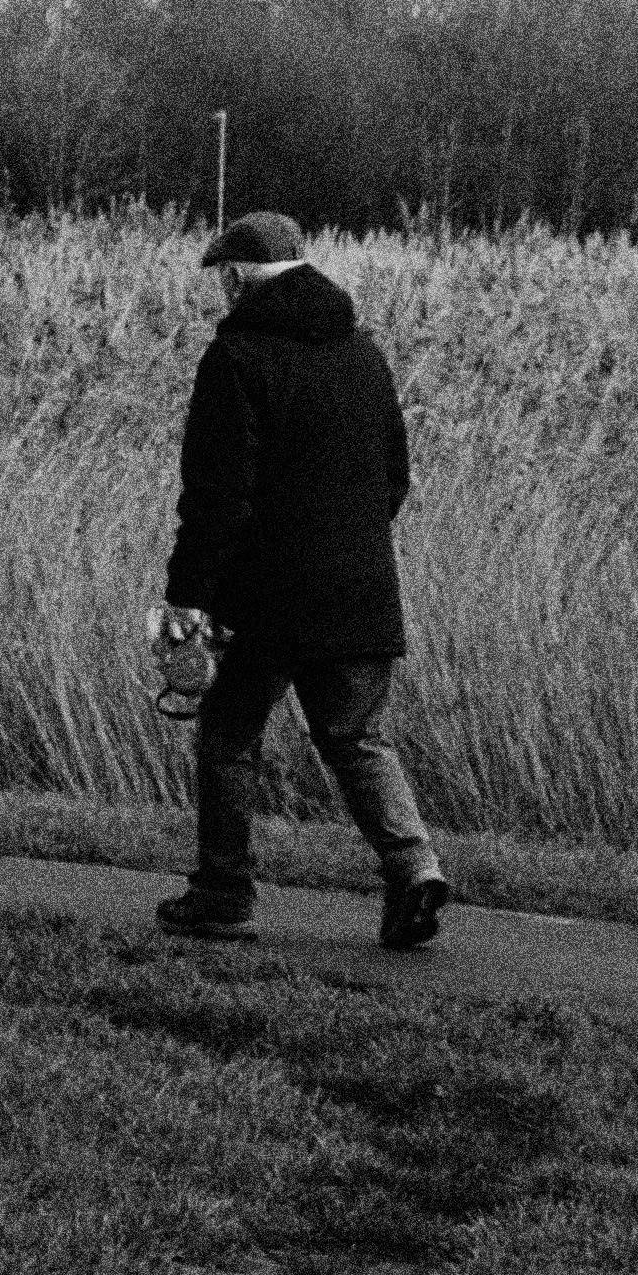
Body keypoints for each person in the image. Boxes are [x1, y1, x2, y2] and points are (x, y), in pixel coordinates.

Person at [154, 210, 451, 951]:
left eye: (221, 279)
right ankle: (414, 869)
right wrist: (349, 546)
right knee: (357, 737)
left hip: (266, 596)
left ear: (234, 278)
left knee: (228, 735)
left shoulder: (237, 357)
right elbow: (394, 478)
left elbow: (218, 493)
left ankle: (223, 894)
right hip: (361, 586)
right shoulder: (364, 354)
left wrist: (188, 595)